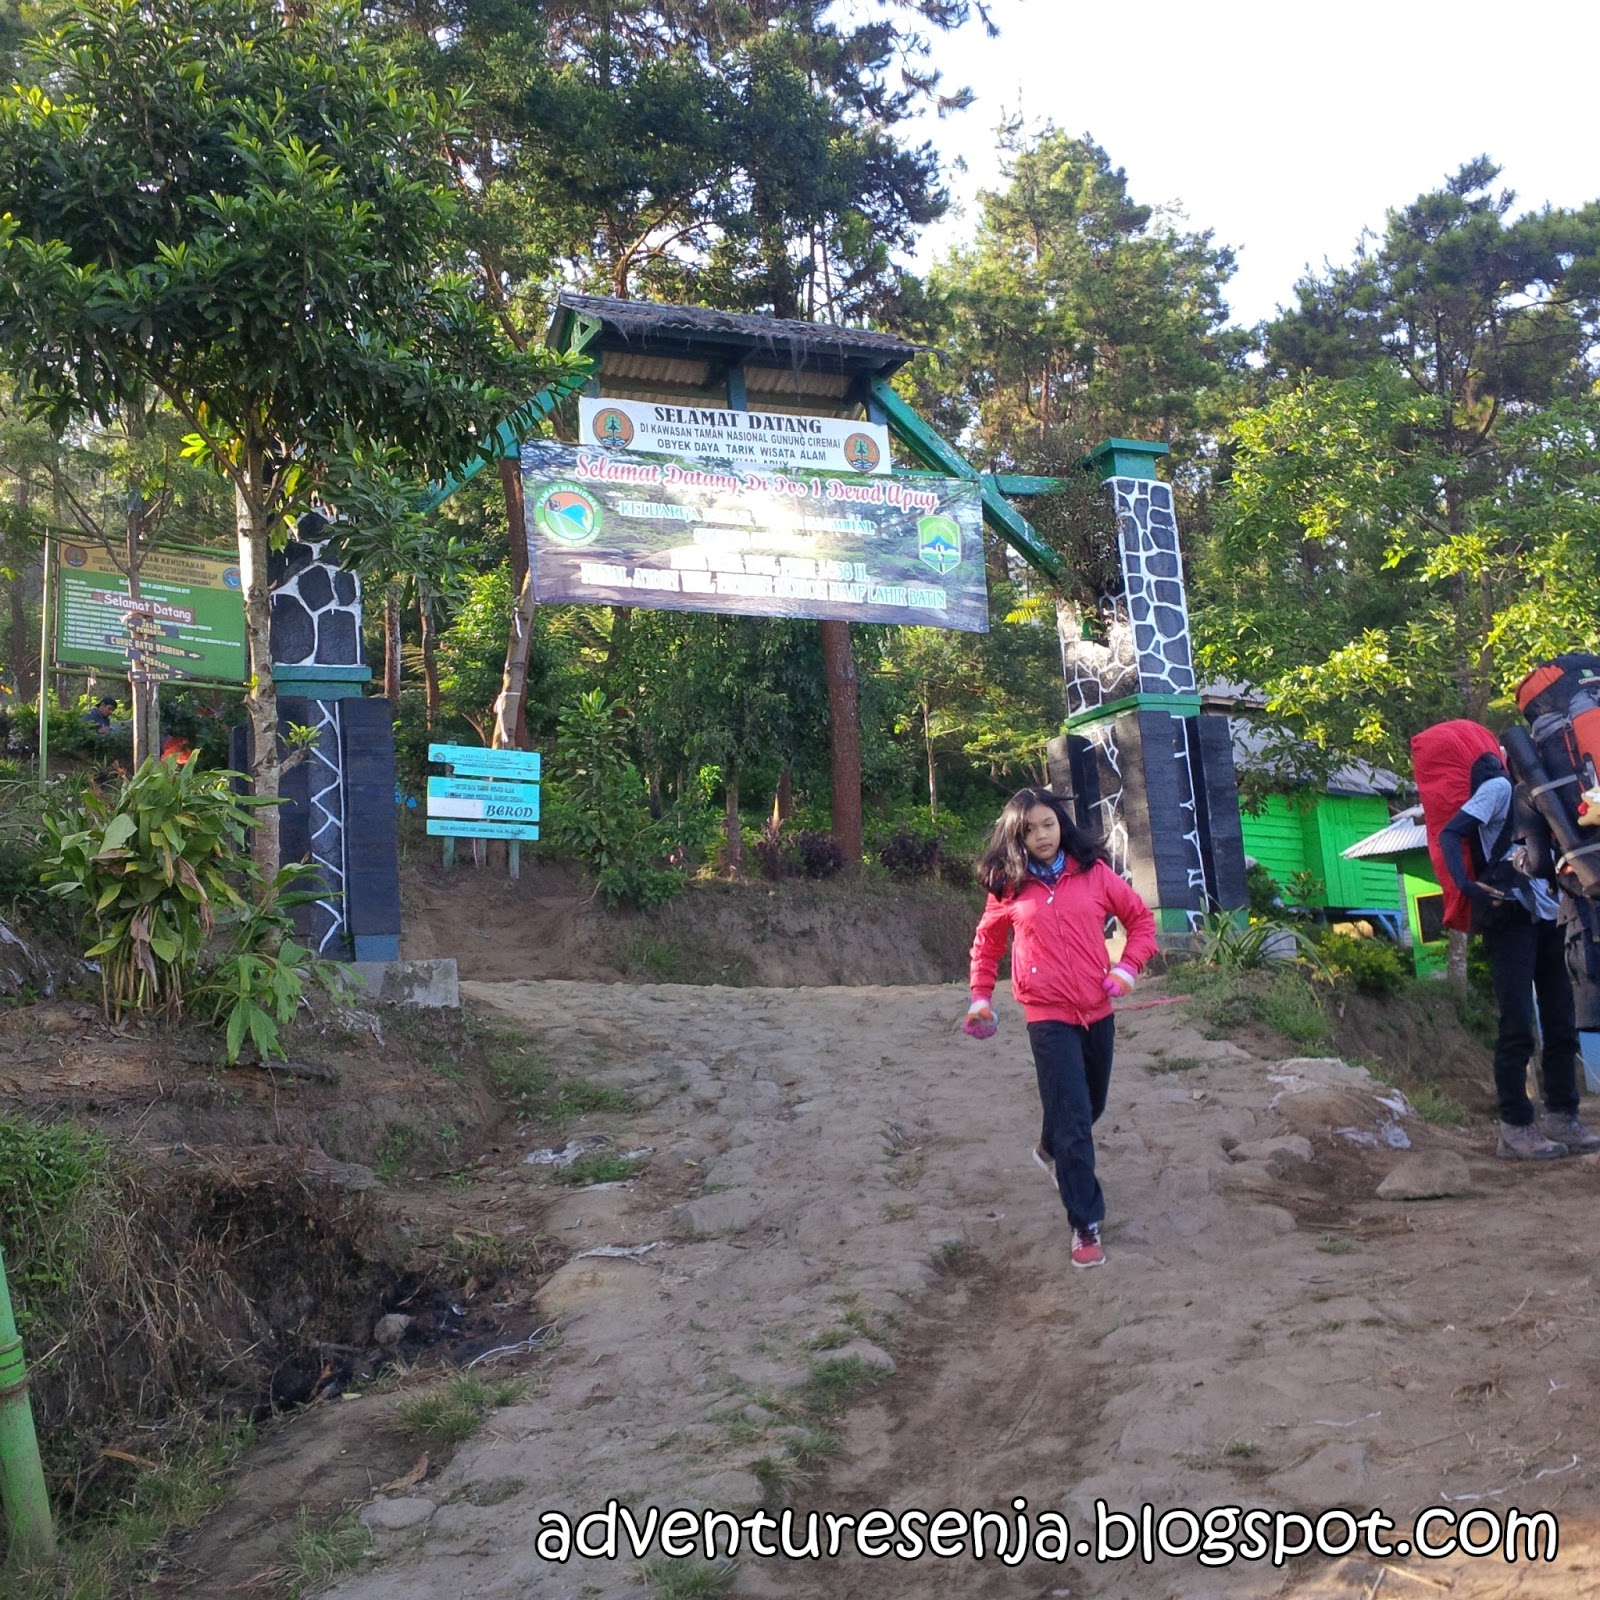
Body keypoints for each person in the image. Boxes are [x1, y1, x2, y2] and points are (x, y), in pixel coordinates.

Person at [965, 787, 1157, 1269]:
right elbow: (987, 946)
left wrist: (1127, 969)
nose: (1041, 835)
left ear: (1061, 824)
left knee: (1092, 1104)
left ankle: (1049, 1148)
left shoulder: (1094, 873)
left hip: (1098, 1008)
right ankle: (1084, 1222)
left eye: (1047, 824)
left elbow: (1140, 921)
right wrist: (980, 999)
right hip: (1046, 1016)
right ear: (1016, 837)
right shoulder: (1007, 887)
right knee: (1073, 1117)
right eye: (1028, 830)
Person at [1438, 749, 1600, 1159]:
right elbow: (1451, 833)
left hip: (1550, 915)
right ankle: (1515, 1127)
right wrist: (1467, 885)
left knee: (1561, 1022)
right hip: (1507, 916)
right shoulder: (1499, 789)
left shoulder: (1553, 796)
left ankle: (1563, 1116)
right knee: (1517, 1024)